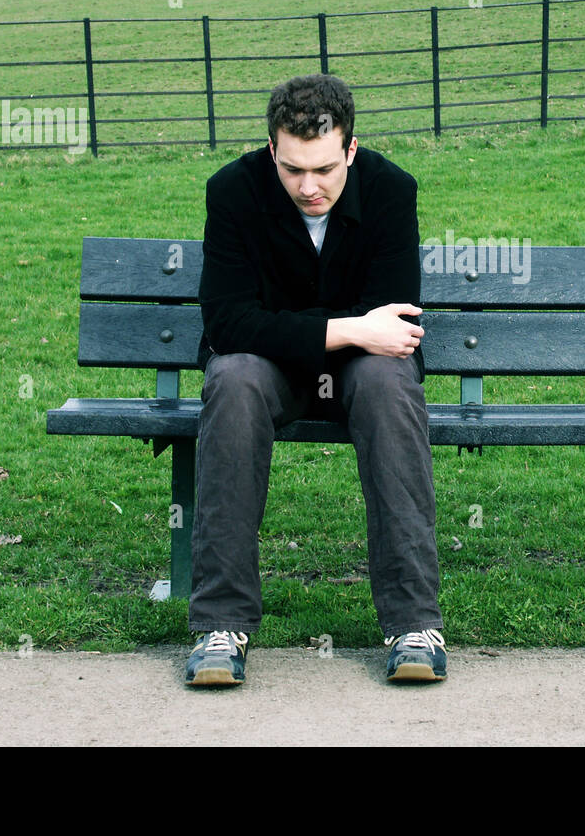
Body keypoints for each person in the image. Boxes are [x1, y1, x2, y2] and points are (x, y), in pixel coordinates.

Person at [184, 73, 446, 687]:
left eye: (325, 169)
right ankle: (220, 626)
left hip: (364, 373)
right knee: (233, 380)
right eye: (293, 168)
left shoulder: (388, 189)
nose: (309, 187)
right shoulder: (232, 191)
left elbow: (397, 326)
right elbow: (227, 324)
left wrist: (306, 329)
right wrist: (350, 329)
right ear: (272, 149)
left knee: (388, 383)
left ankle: (413, 624)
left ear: (351, 150)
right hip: (272, 373)